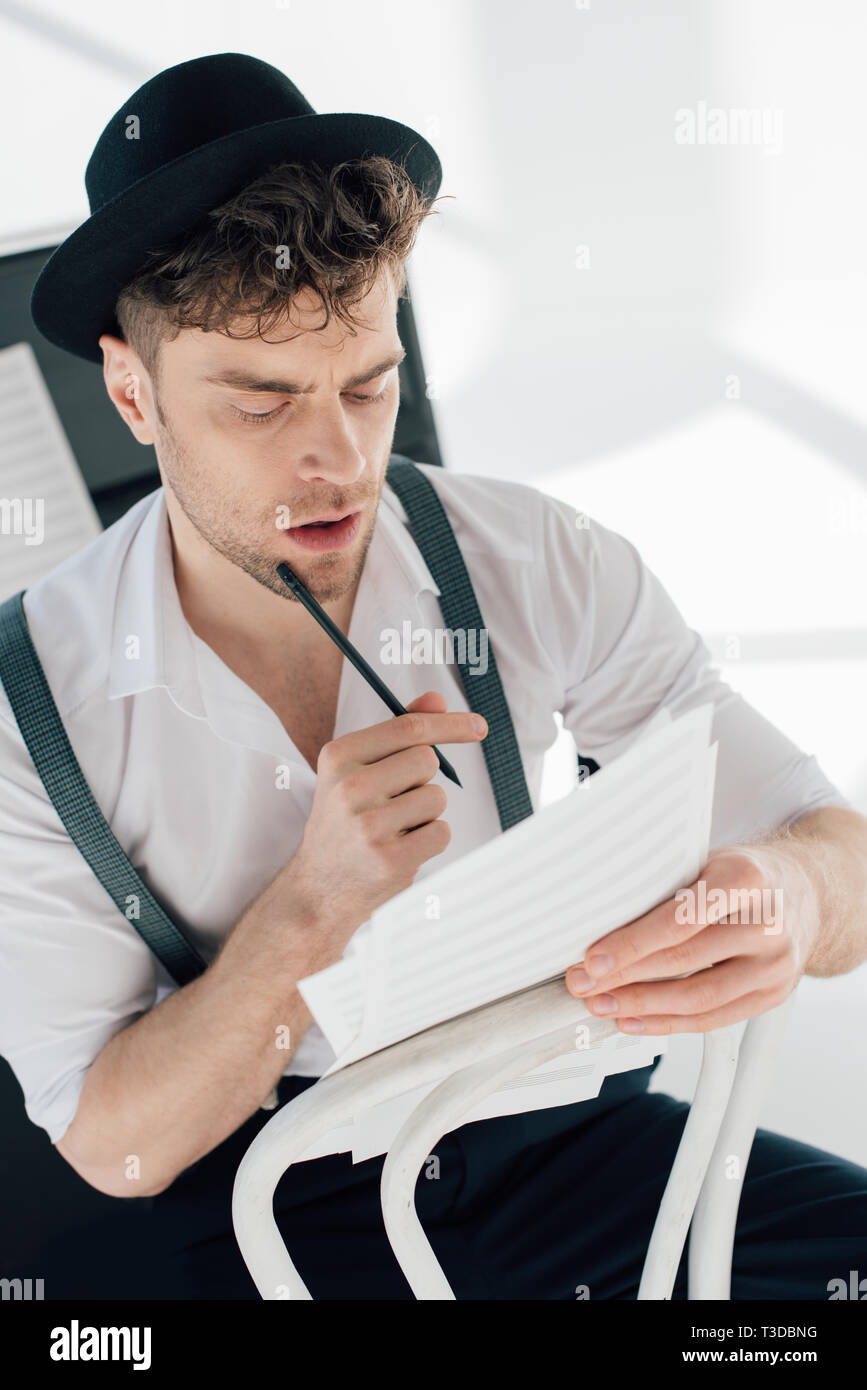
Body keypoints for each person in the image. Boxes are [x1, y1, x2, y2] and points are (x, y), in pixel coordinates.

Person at [2, 52, 866, 1300]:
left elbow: (829, 843)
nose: (337, 459)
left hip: (563, 1146)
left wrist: (786, 897)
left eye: (370, 383)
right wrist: (314, 905)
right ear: (134, 393)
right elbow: (118, 1141)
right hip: (268, 1206)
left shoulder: (538, 559)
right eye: (260, 403)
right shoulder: (31, 704)